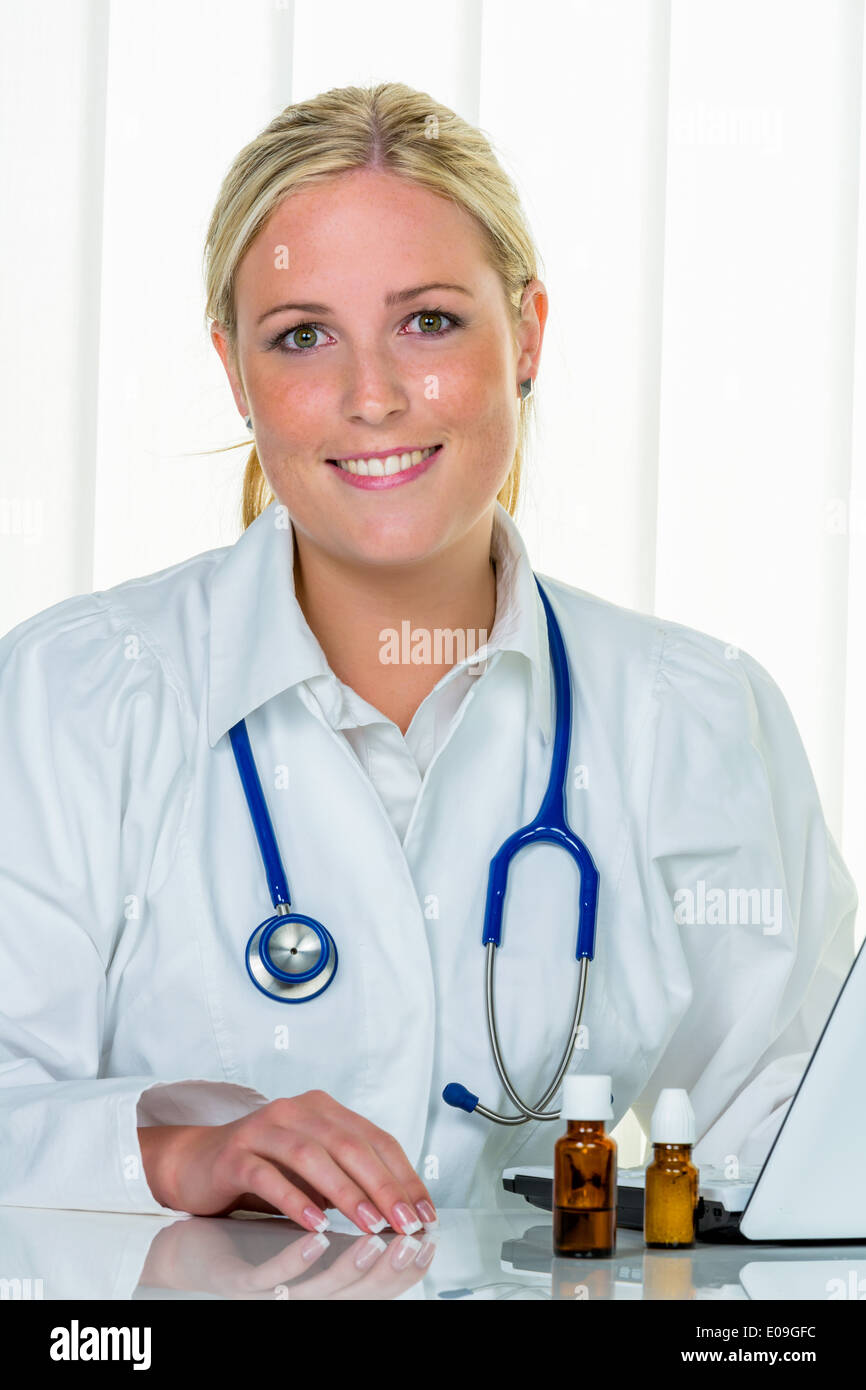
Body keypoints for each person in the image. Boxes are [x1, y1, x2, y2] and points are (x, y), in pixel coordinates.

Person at [0, 83, 857, 1237]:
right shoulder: (68, 698)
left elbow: (798, 1169)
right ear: (233, 372)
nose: (373, 396)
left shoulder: (699, 717)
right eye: (302, 336)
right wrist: (170, 1153)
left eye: (429, 321)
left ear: (529, 333)